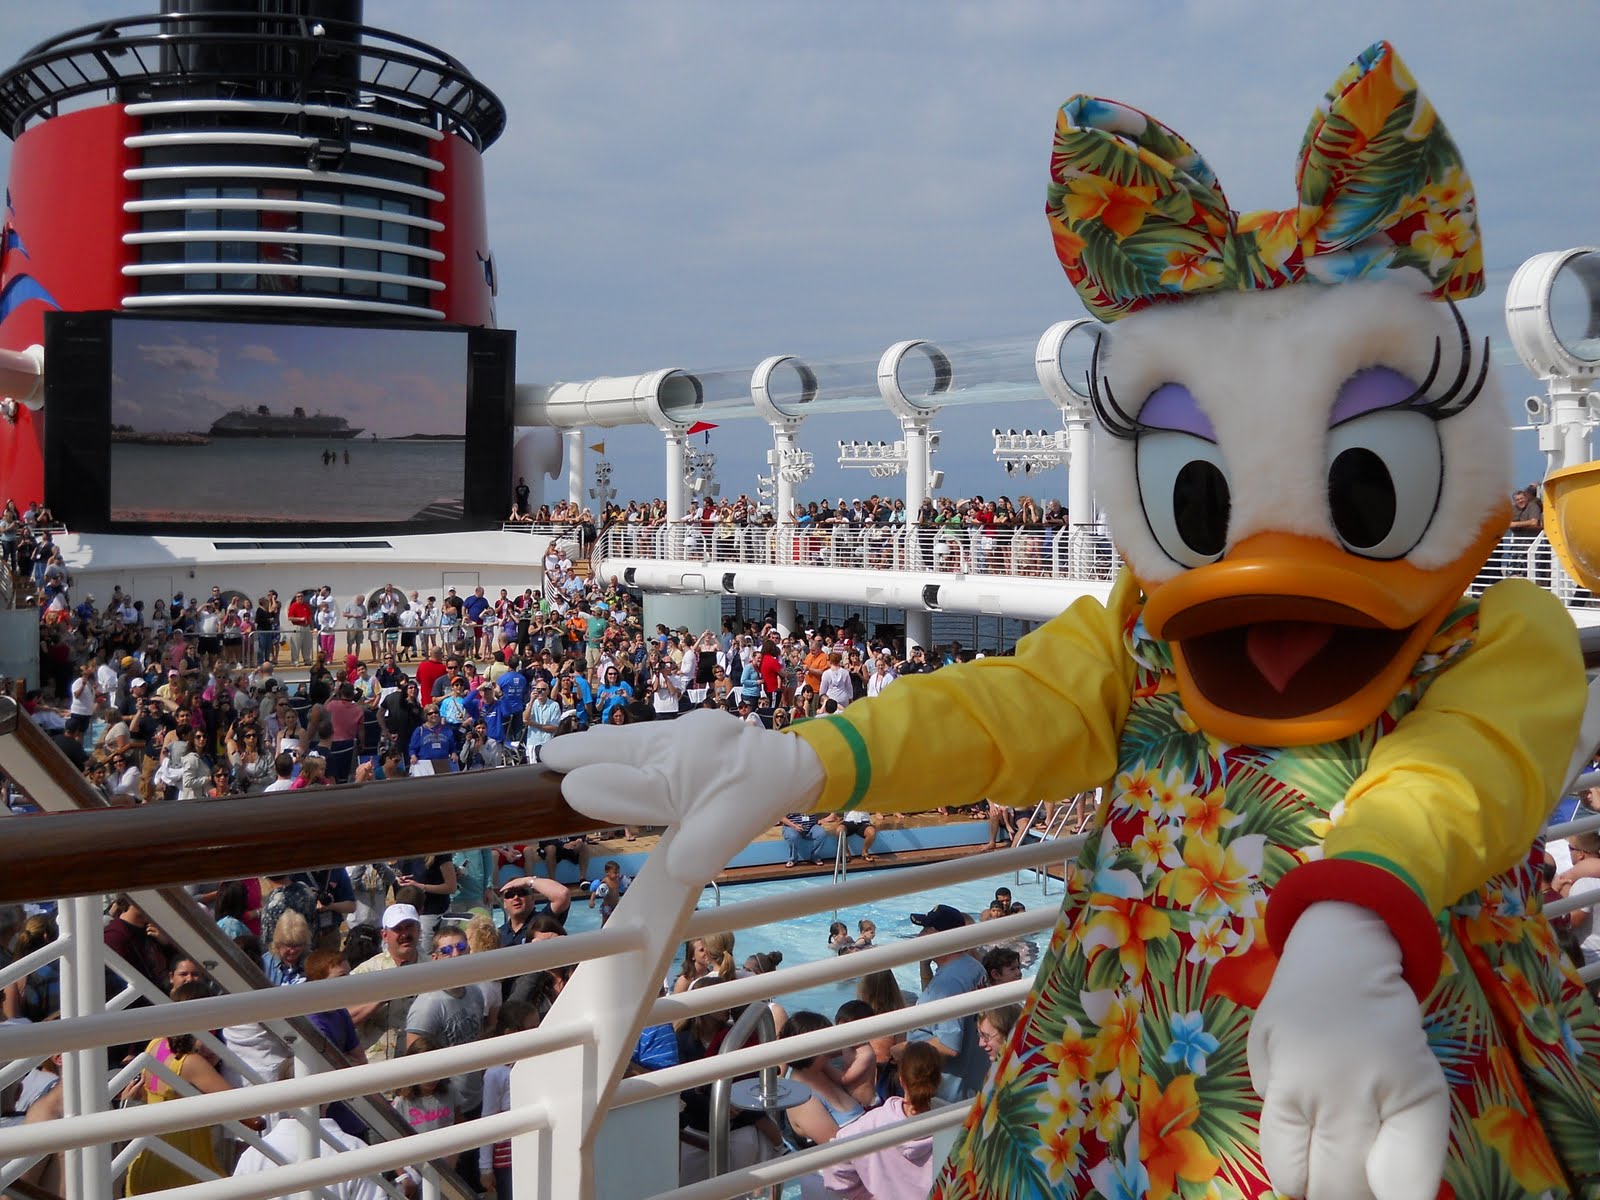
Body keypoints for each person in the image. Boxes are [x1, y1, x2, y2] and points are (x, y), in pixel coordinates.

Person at [124, 982, 265, 1193]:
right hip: (185, 1167)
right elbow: (246, 1112)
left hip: (147, 1162)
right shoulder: (191, 1063)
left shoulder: (155, 1044)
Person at [820, 1041, 943, 1200]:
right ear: (939, 1080)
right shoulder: (957, 1125)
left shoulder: (870, 1125)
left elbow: (835, 1168)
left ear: (901, 1080)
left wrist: (864, 1195)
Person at [899, 905, 988, 1102]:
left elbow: (949, 1046)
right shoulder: (972, 967)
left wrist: (906, 1049)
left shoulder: (950, 982)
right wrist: (924, 964)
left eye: (926, 930)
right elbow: (938, 1007)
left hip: (947, 1095)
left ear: (943, 936)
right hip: (974, 1083)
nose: (920, 935)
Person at [348, 903, 421, 1065]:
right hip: (377, 1065)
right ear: (384, 935)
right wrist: (381, 998)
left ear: (419, 930)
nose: (405, 934)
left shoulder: (433, 968)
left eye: (409, 927)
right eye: (397, 929)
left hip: (421, 1062)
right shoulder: (366, 972)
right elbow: (344, 1019)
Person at [782, 1010, 865, 1146]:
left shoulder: (821, 1068)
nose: (833, 1041)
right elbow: (839, 1148)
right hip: (858, 1154)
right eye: (827, 1038)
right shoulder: (801, 1099)